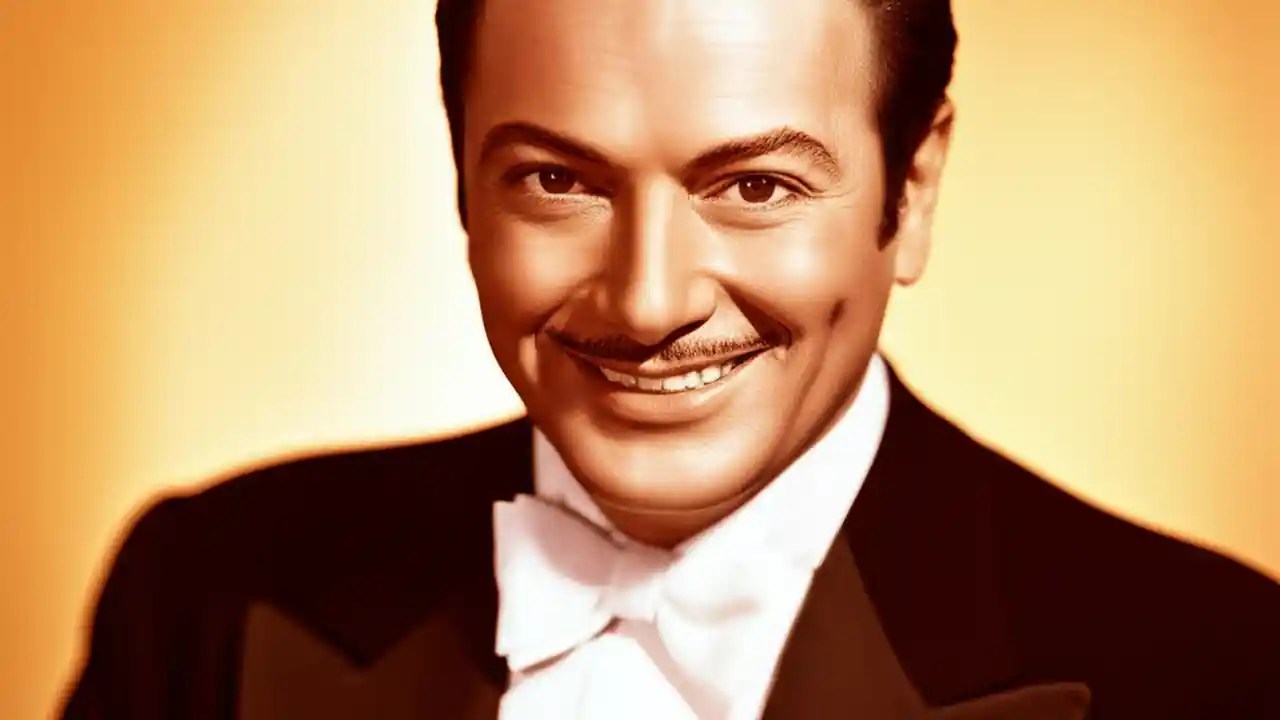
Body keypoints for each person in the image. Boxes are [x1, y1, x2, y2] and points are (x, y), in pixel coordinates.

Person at [60, 0, 1278, 717]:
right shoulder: (202, 599)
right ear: (462, 183)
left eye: (754, 186)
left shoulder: (1216, 670)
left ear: (909, 190)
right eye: (556, 179)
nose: (646, 302)